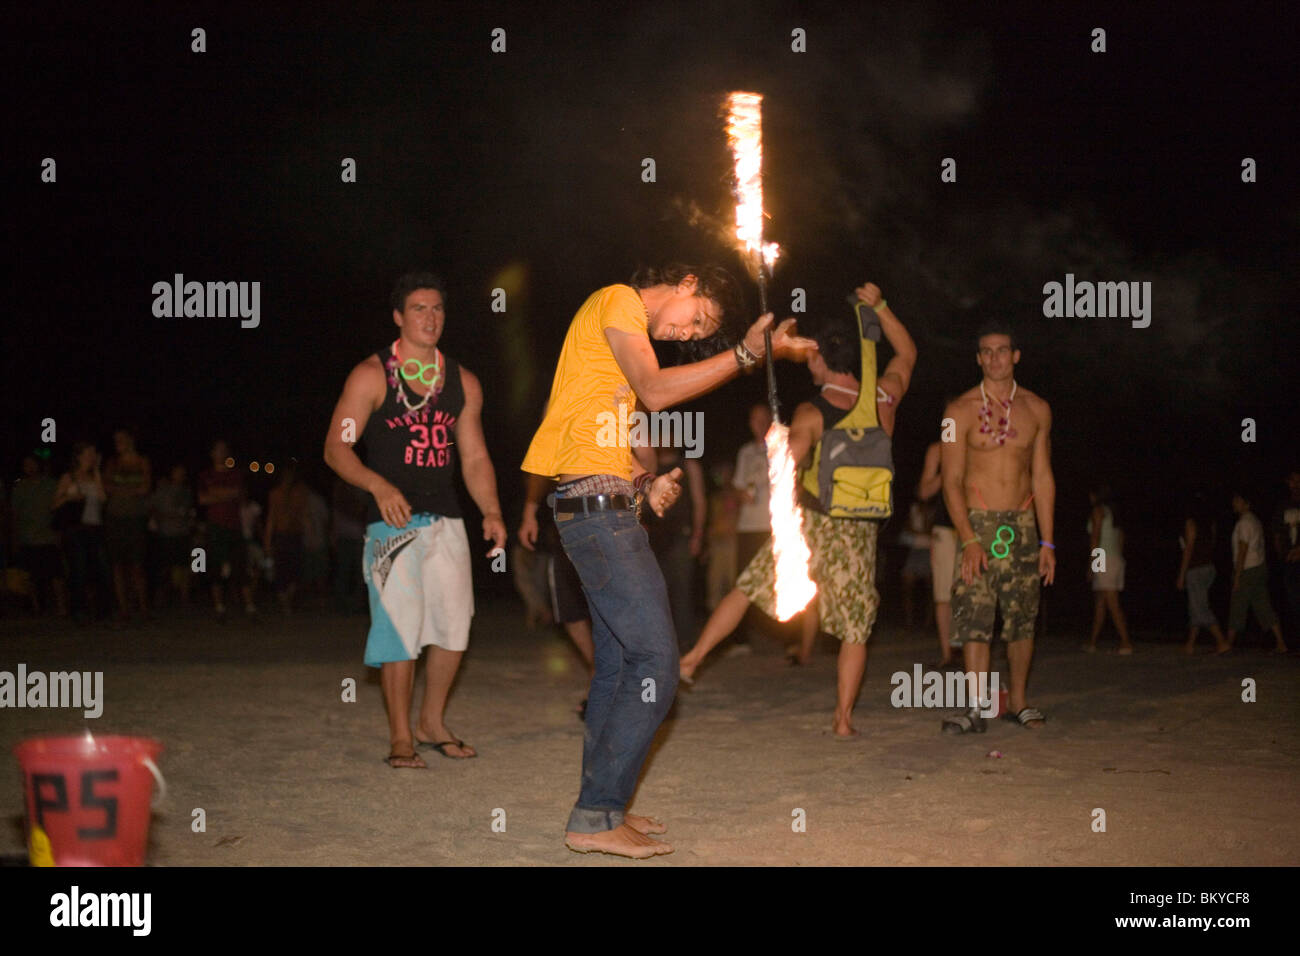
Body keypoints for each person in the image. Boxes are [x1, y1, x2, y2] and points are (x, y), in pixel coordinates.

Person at [522, 262, 814, 859]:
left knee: (617, 666)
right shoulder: (619, 299)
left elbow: (597, 432)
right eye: (696, 317)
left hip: (598, 507)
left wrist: (644, 482)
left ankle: (603, 806)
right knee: (658, 662)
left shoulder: (611, 339)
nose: (686, 333)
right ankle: (594, 813)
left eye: (699, 331)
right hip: (595, 517)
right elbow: (656, 391)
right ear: (686, 282)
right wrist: (743, 355)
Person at [680, 281, 915, 740]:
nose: (809, 363)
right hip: (862, 531)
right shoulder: (885, 398)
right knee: (855, 628)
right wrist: (880, 307)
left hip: (813, 526)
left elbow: (791, 465)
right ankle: (843, 719)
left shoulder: (813, 410)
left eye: (813, 356)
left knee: (747, 587)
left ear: (827, 359)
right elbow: (907, 354)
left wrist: (779, 446)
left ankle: (692, 658)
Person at [324, 271, 507, 769]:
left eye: (438, 309)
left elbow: (473, 458)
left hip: (446, 519)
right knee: (400, 630)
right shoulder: (369, 375)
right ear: (399, 317)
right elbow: (337, 446)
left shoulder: (463, 382)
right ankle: (402, 737)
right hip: (392, 527)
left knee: (453, 627)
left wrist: (491, 511)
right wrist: (379, 486)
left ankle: (432, 721)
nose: (431, 317)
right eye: (419, 309)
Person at [940, 322, 1055, 733]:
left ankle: (1019, 702)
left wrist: (1047, 540)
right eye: (986, 351)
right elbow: (950, 481)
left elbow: (1043, 477)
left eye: (1002, 350)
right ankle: (974, 708)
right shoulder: (957, 411)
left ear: (1016, 355)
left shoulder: (1038, 409)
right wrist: (968, 538)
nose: (994, 358)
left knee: (1022, 617)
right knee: (975, 616)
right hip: (979, 523)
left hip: (1022, 524)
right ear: (978, 358)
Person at [518, 474, 595, 716]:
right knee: (570, 611)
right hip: (565, 532)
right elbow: (538, 470)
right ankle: (598, 669)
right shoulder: (557, 437)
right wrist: (529, 511)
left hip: (609, 523)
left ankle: (605, 686)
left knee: (611, 610)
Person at [645, 444, 706, 651]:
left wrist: (698, 535)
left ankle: (685, 643)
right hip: (653, 538)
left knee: (682, 590)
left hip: (682, 535)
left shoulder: (688, 466)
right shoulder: (647, 466)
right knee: (655, 591)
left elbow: (699, 502)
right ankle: (659, 643)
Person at [53, 442, 112, 624]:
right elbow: (54, 504)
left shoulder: (95, 477)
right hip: (76, 529)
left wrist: (96, 473)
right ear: (79, 456)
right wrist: (70, 497)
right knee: (78, 570)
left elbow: (103, 499)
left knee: (102, 569)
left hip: (94, 527)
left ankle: (102, 611)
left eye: (94, 453)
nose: (92, 456)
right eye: (89, 453)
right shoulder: (69, 477)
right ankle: (78, 610)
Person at [198, 439, 254, 619]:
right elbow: (202, 499)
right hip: (215, 526)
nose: (222, 453)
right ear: (212, 453)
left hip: (234, 526)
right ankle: (219, 607)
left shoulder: (235, 474)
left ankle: (250, 606)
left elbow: (238, 493)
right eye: (218, 450)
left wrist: (216, 493)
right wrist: (226, 494)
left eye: (224, 450)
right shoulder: (205, 475)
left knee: (240, 565)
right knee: (214, 566)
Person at [103, 428, 152, 625]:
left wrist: (120, 490)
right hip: (115, 517)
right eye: (116, 439)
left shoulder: (142, 461)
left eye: (121, 439)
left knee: (137, 565)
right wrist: (130, 490)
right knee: (117, 565)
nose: (118, 442)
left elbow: (145, 488)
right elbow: (106, 487)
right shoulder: (112, 463)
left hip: (135, 518)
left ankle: (143, 609)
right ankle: (124, 610)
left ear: (131, 440)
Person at [1227, 490, 1287, 653]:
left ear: (1247, 503)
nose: (1234, 503)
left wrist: (1237, 576)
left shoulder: (1245, 523)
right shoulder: (1255, 520)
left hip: (1248, 569)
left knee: (1237, 605)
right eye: (1234, 499)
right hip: (1259, 567)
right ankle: (1281, 643)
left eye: (1238, 500)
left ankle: (1228, 643)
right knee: (1263, 605)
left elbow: (1243, 551)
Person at [11, 453, 68, 616]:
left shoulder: (51, 484)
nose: (29, 467)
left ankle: (61, 606)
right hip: (28, 536)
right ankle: (37, 607)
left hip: (48, 535)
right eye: (26, 464)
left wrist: (59, 532)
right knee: (31, 575)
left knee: (56, 574)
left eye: (32, 463)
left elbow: (60, 509)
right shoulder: (20, 487)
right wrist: (14, 538)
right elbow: (14, 514)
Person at [918, 439, 958, 668]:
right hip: (945, 528)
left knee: (974, 590)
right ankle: (948, 654)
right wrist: (948, 468)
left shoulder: (981, 443)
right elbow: (924, 491)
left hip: (977, 526)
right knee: (944, 593)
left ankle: (968, 647)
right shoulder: (937, 450)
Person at [1084, 485, 1133, 654]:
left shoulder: (1098, 511)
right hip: (1115, 558)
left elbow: (1095, 537)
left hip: (1103, 558)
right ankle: (1092, 642)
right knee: (1100, 602)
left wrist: (1092, 563)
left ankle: (1126, 642)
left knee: (1112, 603)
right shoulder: (1115, 512)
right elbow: (1121, 538)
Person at [1177, 491, 1227, 654]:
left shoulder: (1191, 523)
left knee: (1200, 607)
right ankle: (1190, 644)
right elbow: (1210, 545)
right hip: (1208, 568)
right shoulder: (1210, 524)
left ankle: (1221, 641)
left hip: (1196, 569)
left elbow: (1189, 549)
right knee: (1197, 605)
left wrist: (1181, 575)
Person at [264, 462, 310, 614]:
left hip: (295, 535)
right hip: (281, 536)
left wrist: (309, 534)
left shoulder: (300, 493)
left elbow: (304, 515)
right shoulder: (275, 493)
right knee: (281, 570)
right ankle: (284, 602)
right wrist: (267, 541)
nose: (288, 479)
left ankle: (288, 600)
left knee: (295, 569)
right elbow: (271, 518)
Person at [149, 463, 196, 608]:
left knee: (184, 567)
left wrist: (189, 521)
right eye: (178, 472)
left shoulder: (187, 491)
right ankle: (160, 598)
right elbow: (153, 508)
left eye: (183, 472)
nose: (180, 475)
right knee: (164, 567)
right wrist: (164, 518)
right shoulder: (163, 490)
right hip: (166, 533)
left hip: (183, 533)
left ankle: (184, 598)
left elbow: (190, 511)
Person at [705, 461, 741, 612]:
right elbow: (712, 522)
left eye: (726, 473)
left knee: (734, 585)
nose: (722, 477)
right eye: (720, 474)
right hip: (717, 545)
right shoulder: (715, 497)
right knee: (714, 584)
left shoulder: (738, 495)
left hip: (733, 544)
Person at [331, 475, 368, 614]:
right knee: (343, 571)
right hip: (344, 536)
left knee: (360, 572)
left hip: (359, 535)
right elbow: (335, 513)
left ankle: (358, 604)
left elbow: (362, 510)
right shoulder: (340, 489)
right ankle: (341, 605)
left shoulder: (361, 486)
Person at [1270, 469, 1300, 637]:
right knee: (1294, 602)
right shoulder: (1283, 506)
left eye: (1298, 481)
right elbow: (1276, 533)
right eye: (1292, 481)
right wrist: (1282, 555)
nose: (1295, 485)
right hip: (1289, 562)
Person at [898, 498, 934, 630]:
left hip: (929, 550)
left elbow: (930, 528)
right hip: (914, 550)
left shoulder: (933, 510)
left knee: (931, 589)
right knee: (907, 585)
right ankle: (909, 620)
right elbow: (907, 527)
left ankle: (928, 622)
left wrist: (925, 514)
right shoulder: (912, 509)